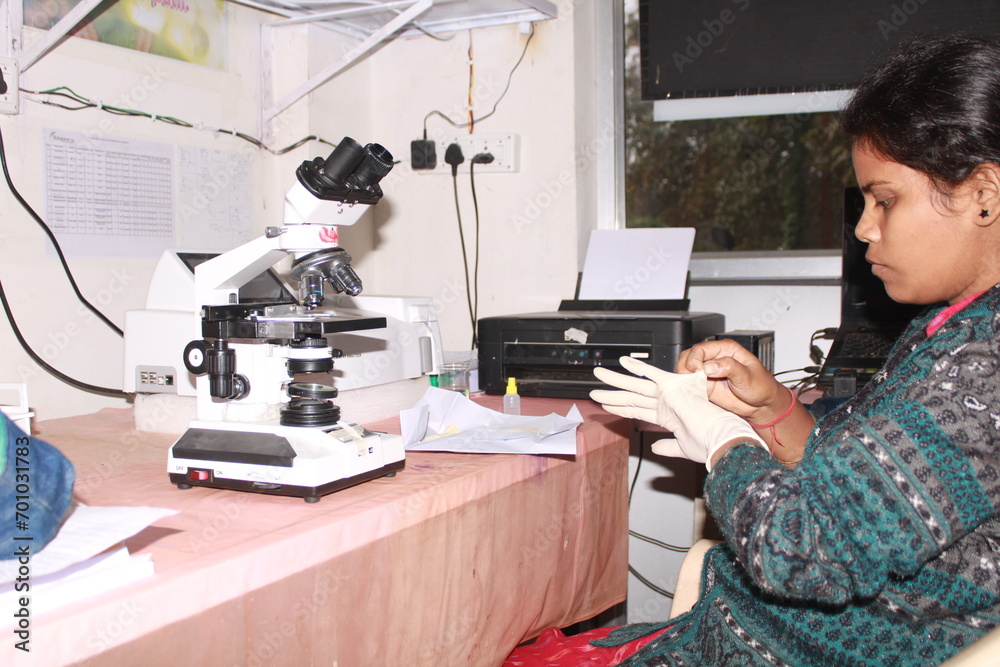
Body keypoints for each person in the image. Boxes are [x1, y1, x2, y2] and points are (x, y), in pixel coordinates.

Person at [505, 34, 1000, 666]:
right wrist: (768, 409)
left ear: (983, 193)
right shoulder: (954, 327)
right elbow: (864, 492)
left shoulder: (981, 365)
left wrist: (721, 442)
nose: (864, 228)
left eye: (885, 200)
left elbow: (802, 547)